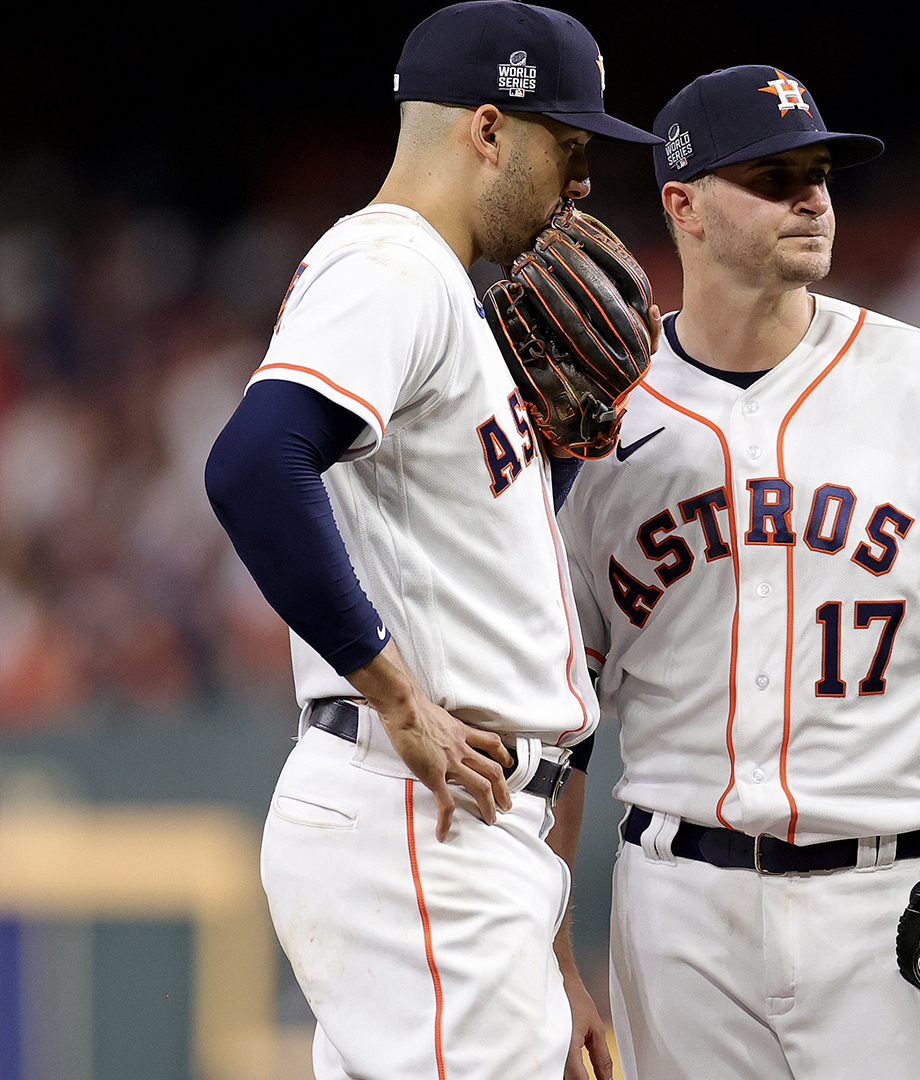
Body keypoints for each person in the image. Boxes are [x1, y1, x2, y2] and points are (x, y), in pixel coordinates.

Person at [556, 64, 920, 1080]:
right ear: (683, 206)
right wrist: (554, 947)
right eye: (774, 178)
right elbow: (564, 716)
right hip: (676, 908)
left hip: (891, 908)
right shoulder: (604, 417)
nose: (812, 199)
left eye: (820, 174)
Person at [202, 4, 659, 1078]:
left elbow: (462, 570)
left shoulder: (445, 295)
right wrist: (400, 699)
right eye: (569, 146)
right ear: (488, 130)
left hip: (451, 833)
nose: (582, 181)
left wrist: (557, 456)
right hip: (419, 815)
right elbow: (254, 463)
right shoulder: (392, 264)